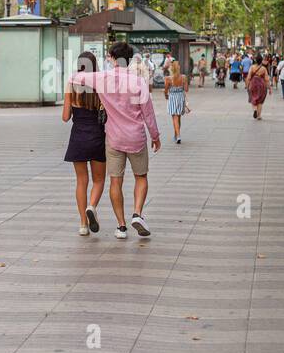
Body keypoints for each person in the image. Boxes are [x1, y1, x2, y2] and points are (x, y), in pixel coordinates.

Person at [69, 41, 161, 239]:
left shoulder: (102, 78)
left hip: (114, 139)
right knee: (141, 177)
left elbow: (75, 76)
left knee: (115, 182)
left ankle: (121, 226)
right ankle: (137, 213)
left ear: (111, 58)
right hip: (136, 138)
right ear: (129, 60)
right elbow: (149, 114)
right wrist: (155, 136)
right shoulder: (138, 82)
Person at [62, 51, 107, 236]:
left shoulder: (71, 85)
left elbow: (65, 117)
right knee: (99, 180)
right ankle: (92, 206)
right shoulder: (101, 85)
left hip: (78, 137)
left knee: (81, 181)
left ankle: (82, 224)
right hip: (97, 136)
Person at [164, 59, 189, 144]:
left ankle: (178, 136)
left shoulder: (168, 79)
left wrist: (166, 96)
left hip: (172, 98)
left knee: (174, 117)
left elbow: (166, 90)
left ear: (171, 69)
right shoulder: (184, 77)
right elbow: (186, 89)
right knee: (178, 117)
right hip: (181, 97)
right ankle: (176, 134)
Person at [247, 52, 270, 120]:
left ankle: (254, 110)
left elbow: (248, 77)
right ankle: (259, 116)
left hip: (253, 84)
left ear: (255, 60)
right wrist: (269, 88)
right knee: (260, 100)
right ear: (261, 61)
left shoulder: (252, 67)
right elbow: (266, 79)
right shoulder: (263, 69)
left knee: (253, 98)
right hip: (261, 85)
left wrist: (248, 85)